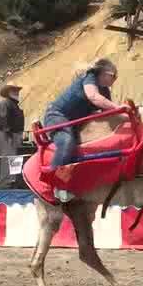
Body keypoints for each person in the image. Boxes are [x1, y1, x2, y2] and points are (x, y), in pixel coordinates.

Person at [41, 58, 123, 202]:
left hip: (73, 123)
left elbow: (108, 112)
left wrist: (128, 115)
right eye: (114, 76)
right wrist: (119, 108)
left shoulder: (104, 91)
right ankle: (55, 185)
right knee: (66, 141)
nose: (115, 80)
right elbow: (94, 97)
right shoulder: (89, 77)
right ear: (104, 73)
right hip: (57, 116)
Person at [0, 83, 26, 189]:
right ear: (8, 92)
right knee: (8, 158)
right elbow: (3, 119)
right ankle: (6, 184)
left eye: (17, 90)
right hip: (7, 135)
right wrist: (9, 134)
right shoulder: (4, 103)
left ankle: (12, 182)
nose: (16, 92)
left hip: (13, 134)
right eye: (13, 90)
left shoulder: (13, 104)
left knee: (14, 159)